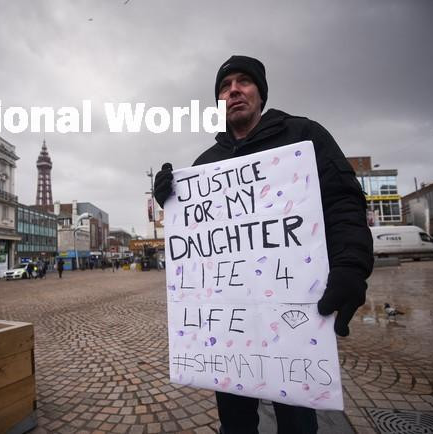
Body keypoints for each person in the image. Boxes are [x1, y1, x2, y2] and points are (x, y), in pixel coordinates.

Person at [154, 55, 373, 434]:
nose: (234, 90)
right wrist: (171, 199)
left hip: (294, 314)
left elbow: (343, 202)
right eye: (225, 86)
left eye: (244, 82)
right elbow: (200, 234)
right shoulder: (207, 163)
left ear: (260, 92)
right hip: (228, 326)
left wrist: (351, 267)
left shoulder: (304, 135)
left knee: (297, 422)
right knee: (236, 424)